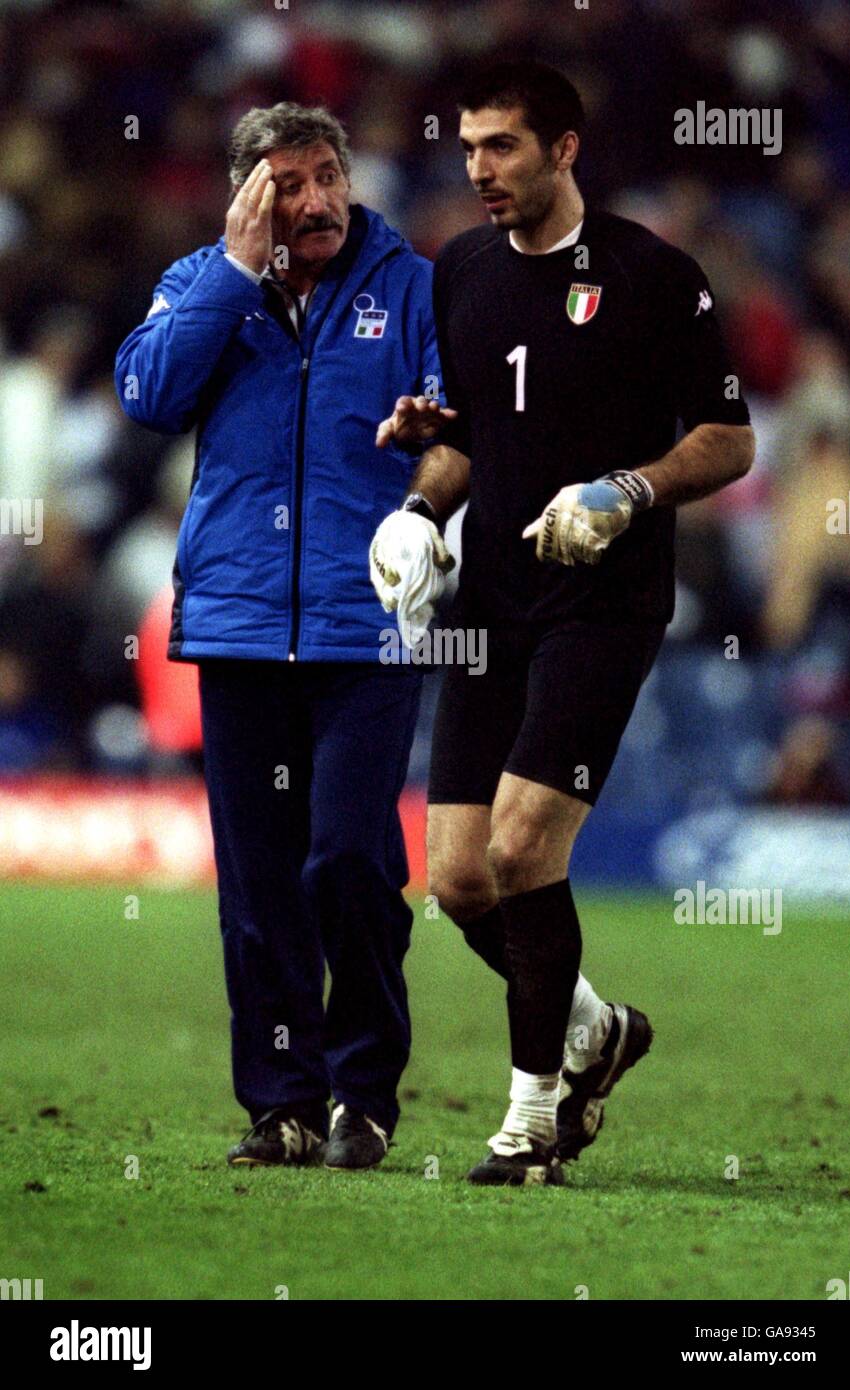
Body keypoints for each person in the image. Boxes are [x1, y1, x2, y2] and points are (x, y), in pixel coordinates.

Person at [372, 62, 755, 1186]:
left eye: (500, 147)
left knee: (521, 844)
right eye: (468, 148)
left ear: (564, 150)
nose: (476, 169)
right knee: (455, 881)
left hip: (602, 600)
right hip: (488, 599)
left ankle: (531, 1124)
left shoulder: (650, 274)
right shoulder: (462, 271)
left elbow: (729, 439)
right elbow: (468, 433)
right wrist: (414, 504)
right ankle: (594, 1030)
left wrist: (626, 491)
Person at [116, 102, 448, 1172]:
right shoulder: (204, 284)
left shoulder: (413, 287)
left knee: (350, 860)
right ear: (247, 194)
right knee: (258, 885)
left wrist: (431, 448)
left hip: (368, 624)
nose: (309, 201)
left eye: (321, 177)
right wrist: (229, 265)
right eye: (281, 183)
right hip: (242, 621)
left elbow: (465, 414)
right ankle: (284, 1105)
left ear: (349, 178)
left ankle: (365, 1090)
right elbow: (148, 395)